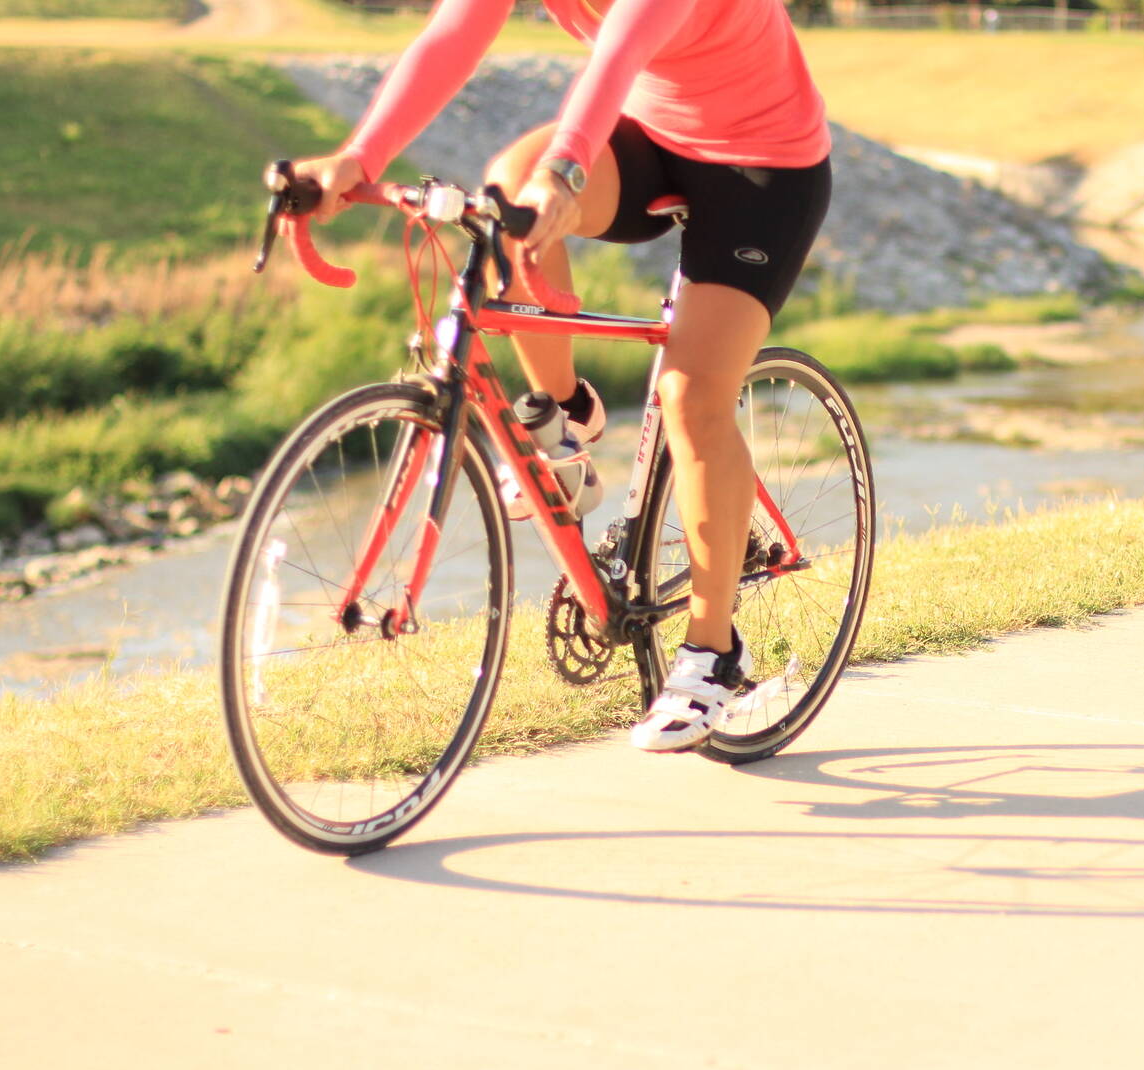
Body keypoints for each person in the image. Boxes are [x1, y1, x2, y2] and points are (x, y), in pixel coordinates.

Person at [288, 0, 833, 752]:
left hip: (762, 167)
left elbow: (624, 42)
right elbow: (455, 31)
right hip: (652, 134)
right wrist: (361, 157)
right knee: (510, 197)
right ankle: (565, 422)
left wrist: (567, 168)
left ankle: (714, 654)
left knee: (693, 394)